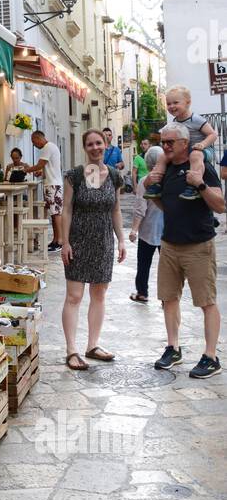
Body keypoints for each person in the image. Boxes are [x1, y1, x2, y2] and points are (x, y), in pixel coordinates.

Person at [145, 123, 224, 377]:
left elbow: (221, 206)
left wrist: (200, 185)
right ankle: (173, 348)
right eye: (163, 142)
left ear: (184, 143)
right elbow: (161, 201)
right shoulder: (166, 168)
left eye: (170, 143)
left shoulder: (200, 166)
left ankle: (211, 357)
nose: (165, 147)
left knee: (206, 302)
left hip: (198, 244)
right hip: (169, 244)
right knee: (168, 298)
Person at [60, 128, 126, 370]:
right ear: (85, 148)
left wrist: (120, 239)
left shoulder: (115, 176)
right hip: (77, 240)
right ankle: (71, 350)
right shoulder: (74, 175)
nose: (96, 147)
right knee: (74, 296)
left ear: (106, 144)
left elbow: (116, 209)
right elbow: (66, 209)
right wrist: (65, 242)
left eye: (99, 143)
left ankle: (92, 345)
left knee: (99, 295)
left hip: (103, 241)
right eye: (90, 144)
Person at [144, 85, 218, 201]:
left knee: (195, 155)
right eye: (168, 104)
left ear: (187, 103)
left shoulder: (196, 119)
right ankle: (156, 183)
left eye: (175, 102)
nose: (171, 106)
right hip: (186, 150)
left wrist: (202, 145)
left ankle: (193, 186)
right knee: (163, 156)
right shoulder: (175, 122)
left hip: (204, 150)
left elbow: (213, 134)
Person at [129, 145, 164, 302]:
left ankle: (142, 292)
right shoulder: (170, 179)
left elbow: (140, 208)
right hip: (168, 231)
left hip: (148, 230)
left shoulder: (145, 181)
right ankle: (167, 298)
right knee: (168, 267)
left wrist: (134, 230)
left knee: (144, 264)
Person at [29, 129, 63, 250]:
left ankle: (59, 241)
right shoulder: (50, 147)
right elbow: (47, 168)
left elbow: (40, 164)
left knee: (56, 213)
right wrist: (41, 173)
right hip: (51, 184)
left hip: (53, 185)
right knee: (53, 214)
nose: (34, 145)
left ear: (39, 138)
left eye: (34, 141)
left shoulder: (47, 147)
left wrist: (25, 170)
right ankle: (55, 239)